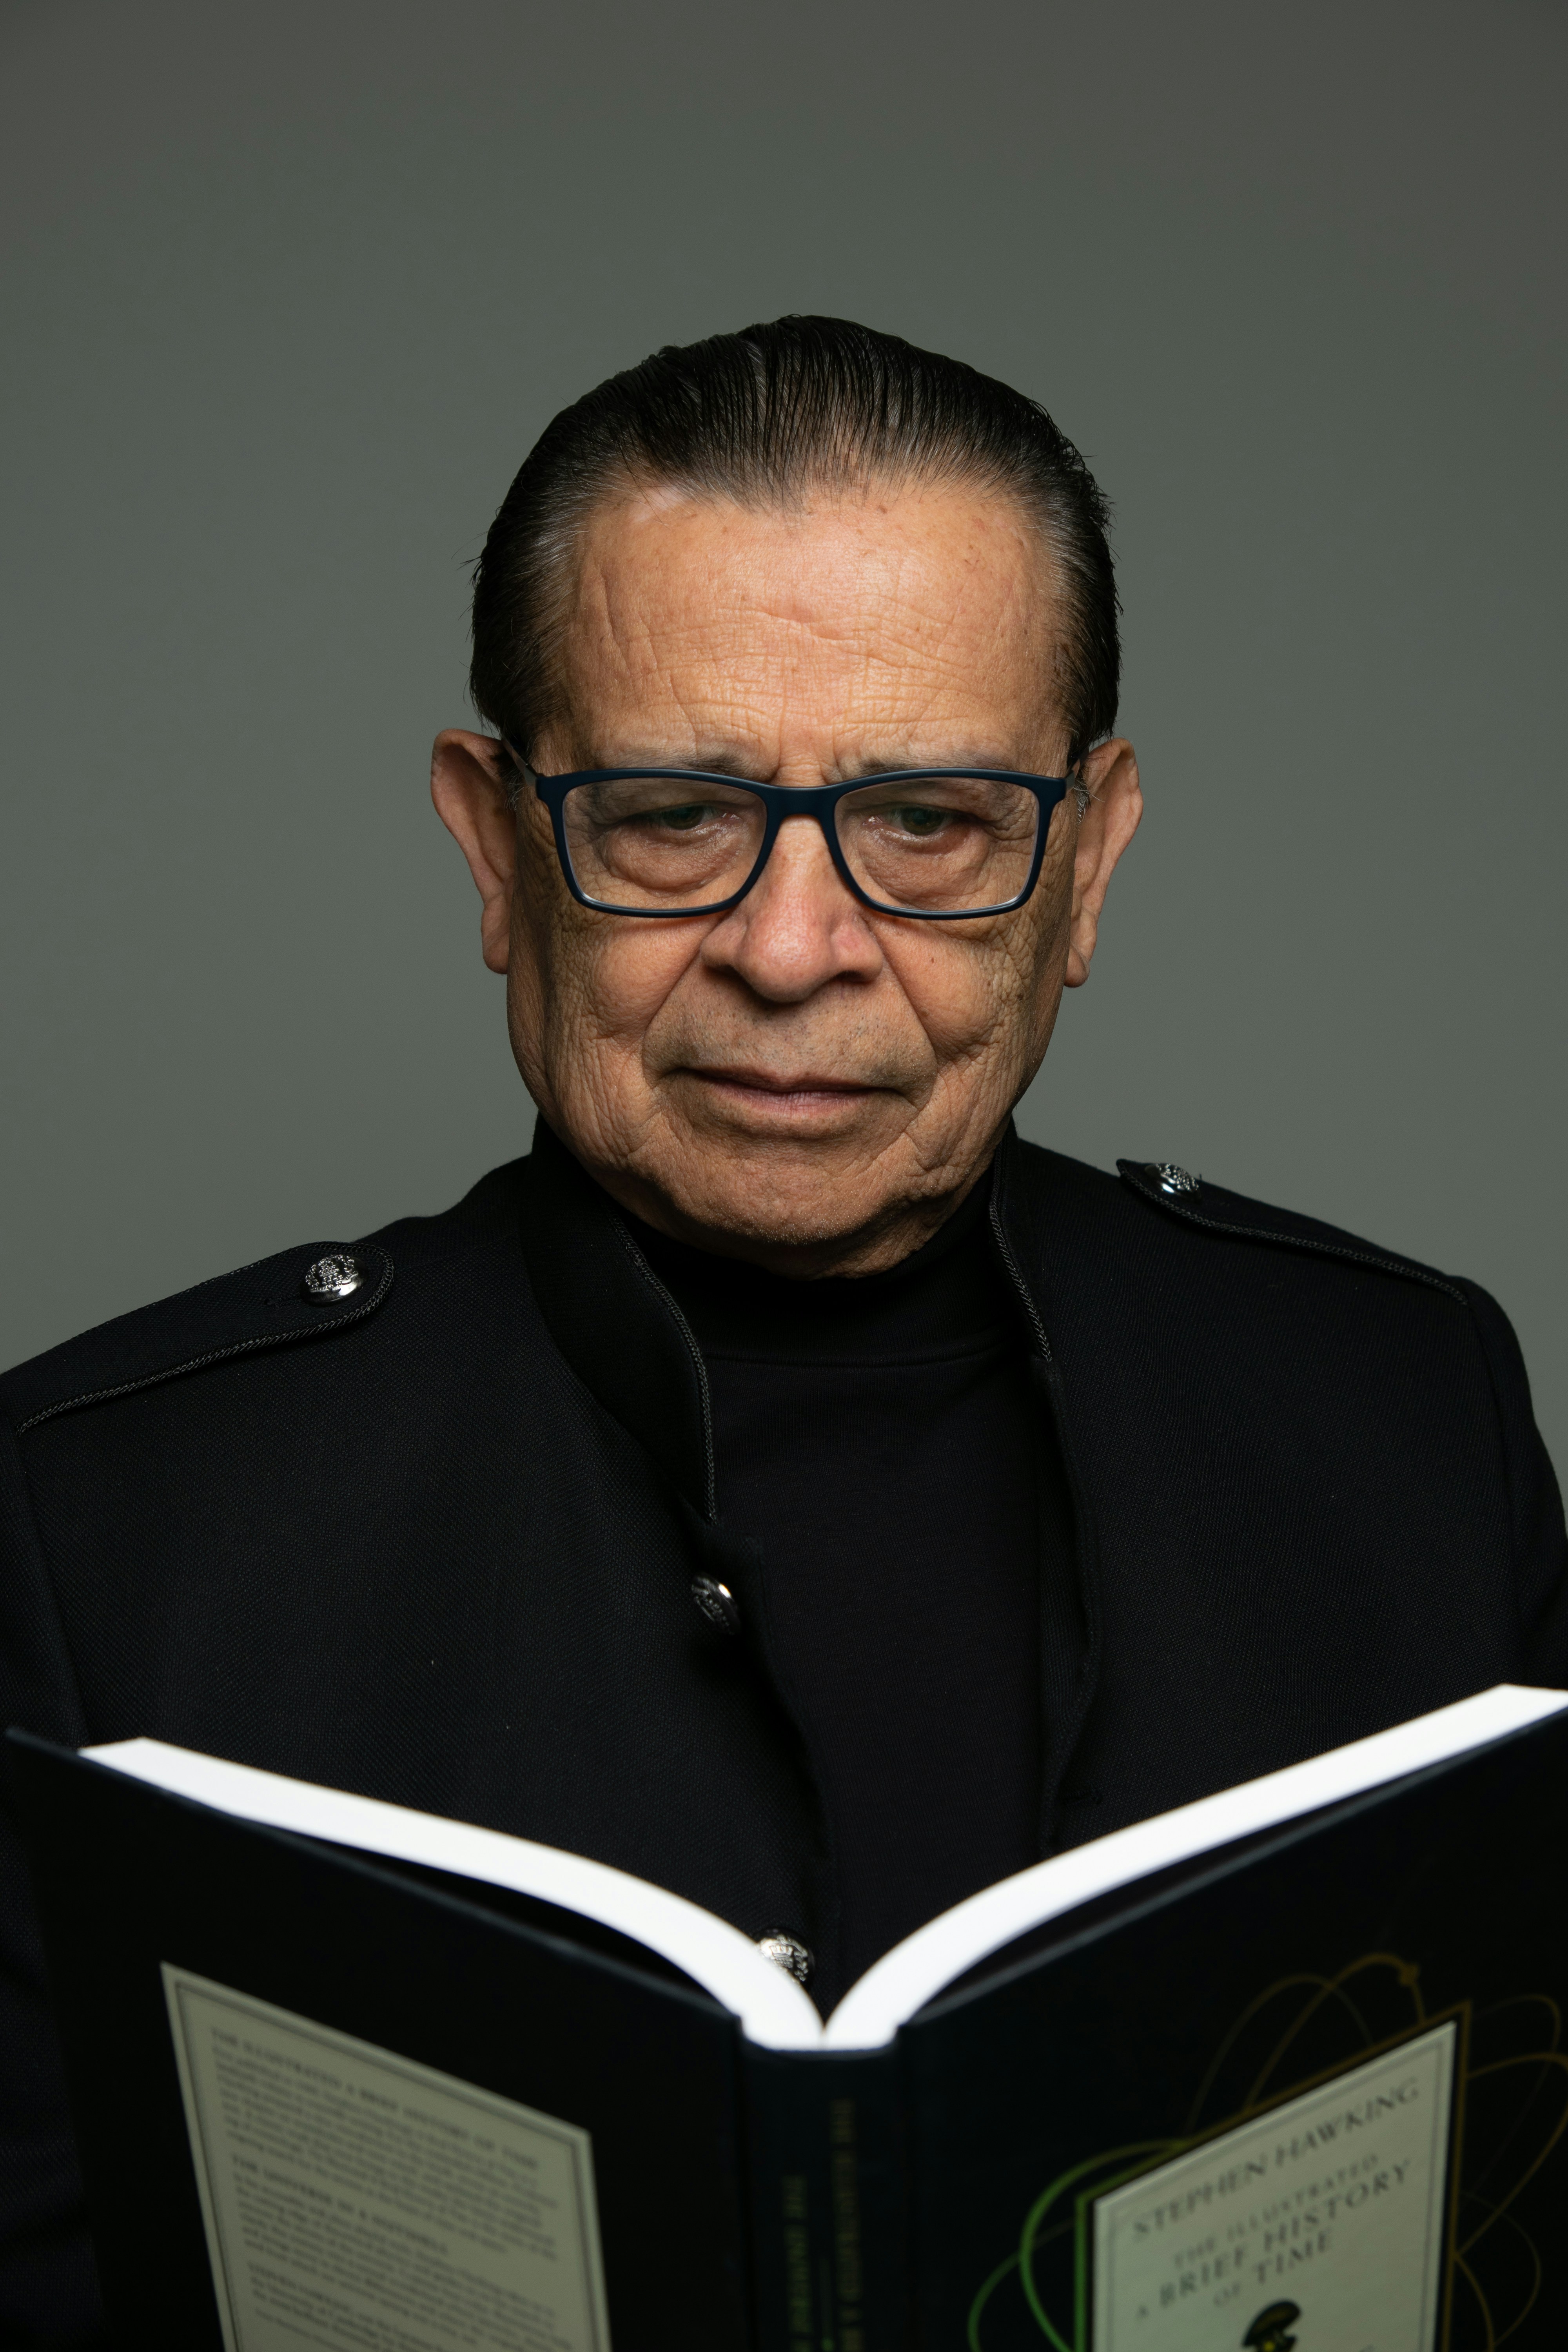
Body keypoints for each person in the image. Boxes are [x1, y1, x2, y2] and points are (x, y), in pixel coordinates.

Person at [2, 316, 1563, 2344]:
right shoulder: (96, 1523)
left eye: (929, 822)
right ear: (496, 848)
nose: (793, 946)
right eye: (670, 813)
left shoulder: (1406, 1412)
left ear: (1081, 867)